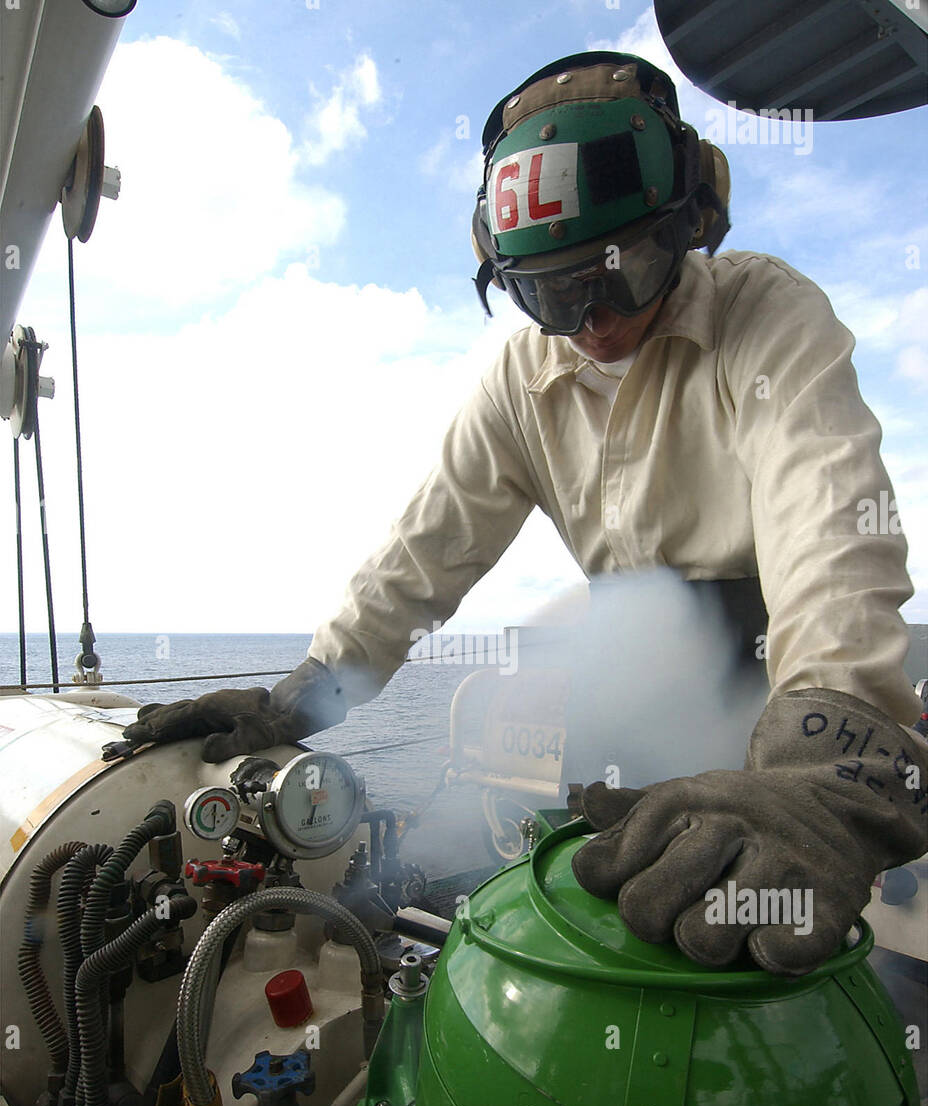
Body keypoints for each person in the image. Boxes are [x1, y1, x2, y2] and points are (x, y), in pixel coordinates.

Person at [104, 52, 927, 978]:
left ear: (690, 223)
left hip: (775, 695)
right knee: (614, 949)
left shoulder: (767, 314)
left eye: (626, 270)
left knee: (775, 967)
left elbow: (833, 534)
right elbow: (423, 552)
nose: (595, 321)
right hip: (629, 687)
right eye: (551, 292)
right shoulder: (519, 379)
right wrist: (308, 690)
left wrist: (822, 777)